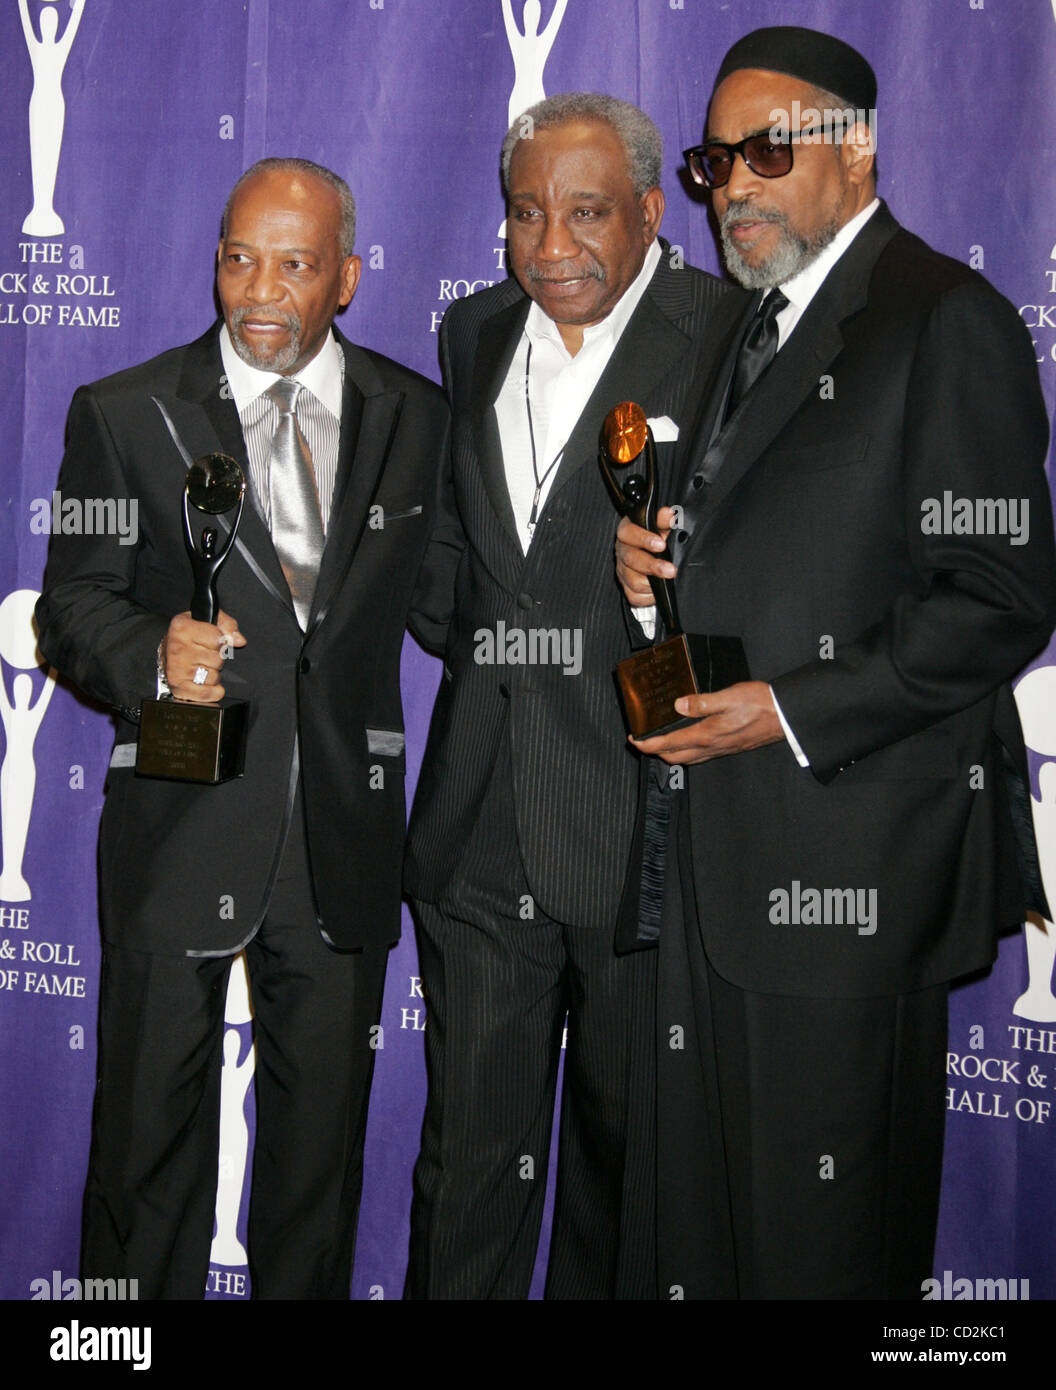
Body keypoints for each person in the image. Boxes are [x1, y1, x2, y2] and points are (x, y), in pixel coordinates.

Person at [616, 25, 1056, 1299]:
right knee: (701, 1245)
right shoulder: (731, 329)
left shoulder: (944, 317)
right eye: (714, 163)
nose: (734, 187)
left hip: (843, 878)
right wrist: (653, 565)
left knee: (822, 1252)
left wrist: (788, 713)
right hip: (703, 853)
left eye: (768, 151)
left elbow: (1002, 591)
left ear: (856, 153)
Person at [35, 157, 449, 1299]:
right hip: (180, 824)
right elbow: (70, 608)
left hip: (340, 841)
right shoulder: (125, 412)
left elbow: (455, 602)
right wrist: (147, 651)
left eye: (295, 264)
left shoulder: (416, 417)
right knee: (143, 1154)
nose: (259, 290)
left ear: (349, 279)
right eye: (237, 257)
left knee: (318, 1166)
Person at [403, 92, 745, 1299]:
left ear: (656, 213)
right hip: (482, 827)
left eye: (587, 213)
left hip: (646, 830)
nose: (551, 246)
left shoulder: (733, 338)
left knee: (626, 1182)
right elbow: (457, 557)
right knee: (467, 1176)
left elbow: (781, 575)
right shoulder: (474, 332)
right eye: (524, 213)